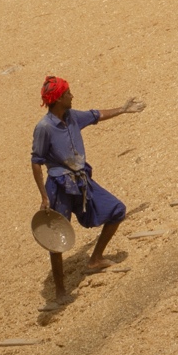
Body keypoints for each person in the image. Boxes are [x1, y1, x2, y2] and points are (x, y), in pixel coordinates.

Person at [31, 77, 144, 295]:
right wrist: (44, 197)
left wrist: (123, 109)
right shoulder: (44, 128)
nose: (72, 96)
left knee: (117, 210)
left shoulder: (72, 117)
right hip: (59, 187)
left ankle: (96, 259)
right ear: (58, 99)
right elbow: (36, 162)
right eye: (68, 93)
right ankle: (61, 291)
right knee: (56, 240)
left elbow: (96, 115)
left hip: (81, 182)